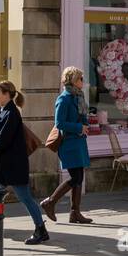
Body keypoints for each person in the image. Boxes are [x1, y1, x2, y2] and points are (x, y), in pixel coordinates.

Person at [0, 80, 49, 245]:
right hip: (4, 166)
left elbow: (3, 139)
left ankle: (41, 229)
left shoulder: (11, 113)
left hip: (13, 166)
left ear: (6, 95)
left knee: (25, 198)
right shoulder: (3, 111)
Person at [39, 66, 94, 224]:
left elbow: (82, 116)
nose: (82, 81)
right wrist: (78, 127)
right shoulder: (64, 98)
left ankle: (75, 213)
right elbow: (59, 123)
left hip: (79, 142)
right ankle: (50, 202)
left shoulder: (79, 96)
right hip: (69, 143)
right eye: (80, 79)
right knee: (75, 177)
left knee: (79, 177)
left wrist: (85, 125)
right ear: (72, 80)